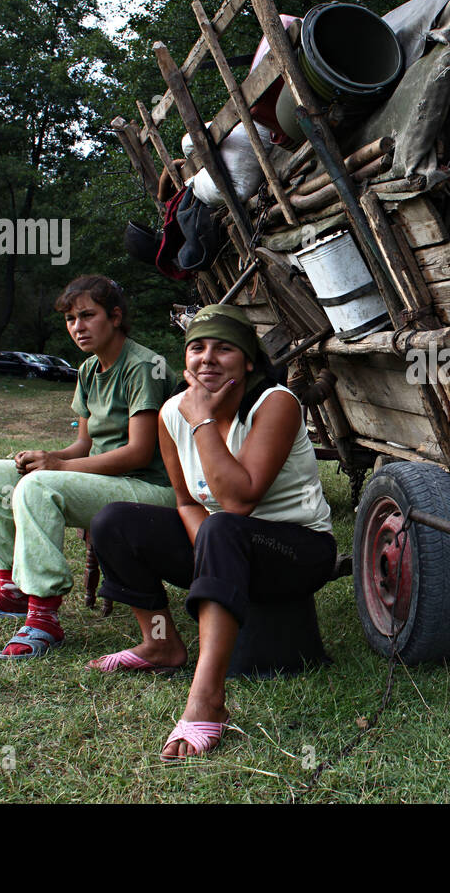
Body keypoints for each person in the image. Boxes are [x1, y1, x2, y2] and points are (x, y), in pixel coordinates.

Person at [87, 304, 335, 760]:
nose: (207, 359)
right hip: (225, 542)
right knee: (115, 522)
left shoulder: (276, 404)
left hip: (296, 549)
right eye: (197, 348)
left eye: (224, 349)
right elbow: (185, 500)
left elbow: (241, 499)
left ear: (247, 361)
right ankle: (160, 643)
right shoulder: (169, 414)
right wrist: (209, 554)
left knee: (225, 524)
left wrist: (202, 420)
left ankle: (206, 702)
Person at [0, 276, 178, 660]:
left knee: (38, 488)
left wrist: (54, 467)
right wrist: (45, 456)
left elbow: (139, 452)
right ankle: (14, 592)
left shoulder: (145, 366)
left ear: (116, 317)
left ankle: (44, 618)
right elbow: (83, 445)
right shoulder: (88, 370)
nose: (77, 327)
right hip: (104, 480)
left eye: (88, 316)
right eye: (70, 319)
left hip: (149, 488)